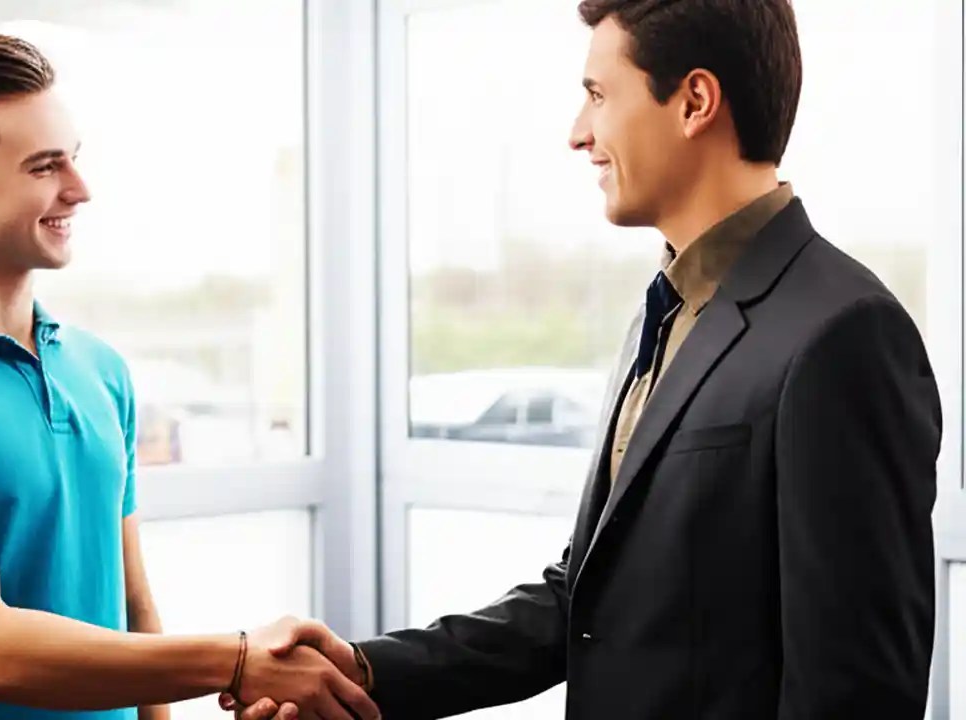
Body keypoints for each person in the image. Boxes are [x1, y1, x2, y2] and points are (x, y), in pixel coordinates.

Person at [227, 0, 942, 717]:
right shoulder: (661, 314)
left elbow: (857, 695)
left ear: (695, 100)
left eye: (598, 96)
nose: (579, 134)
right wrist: (363, 672)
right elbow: (589, 598)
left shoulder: (843, 335)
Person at [0, 31, 378, 720]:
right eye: (45, 167)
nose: (80, 190)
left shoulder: (99, 370)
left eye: (73, 159)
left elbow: (132, 604)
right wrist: (235, 659)